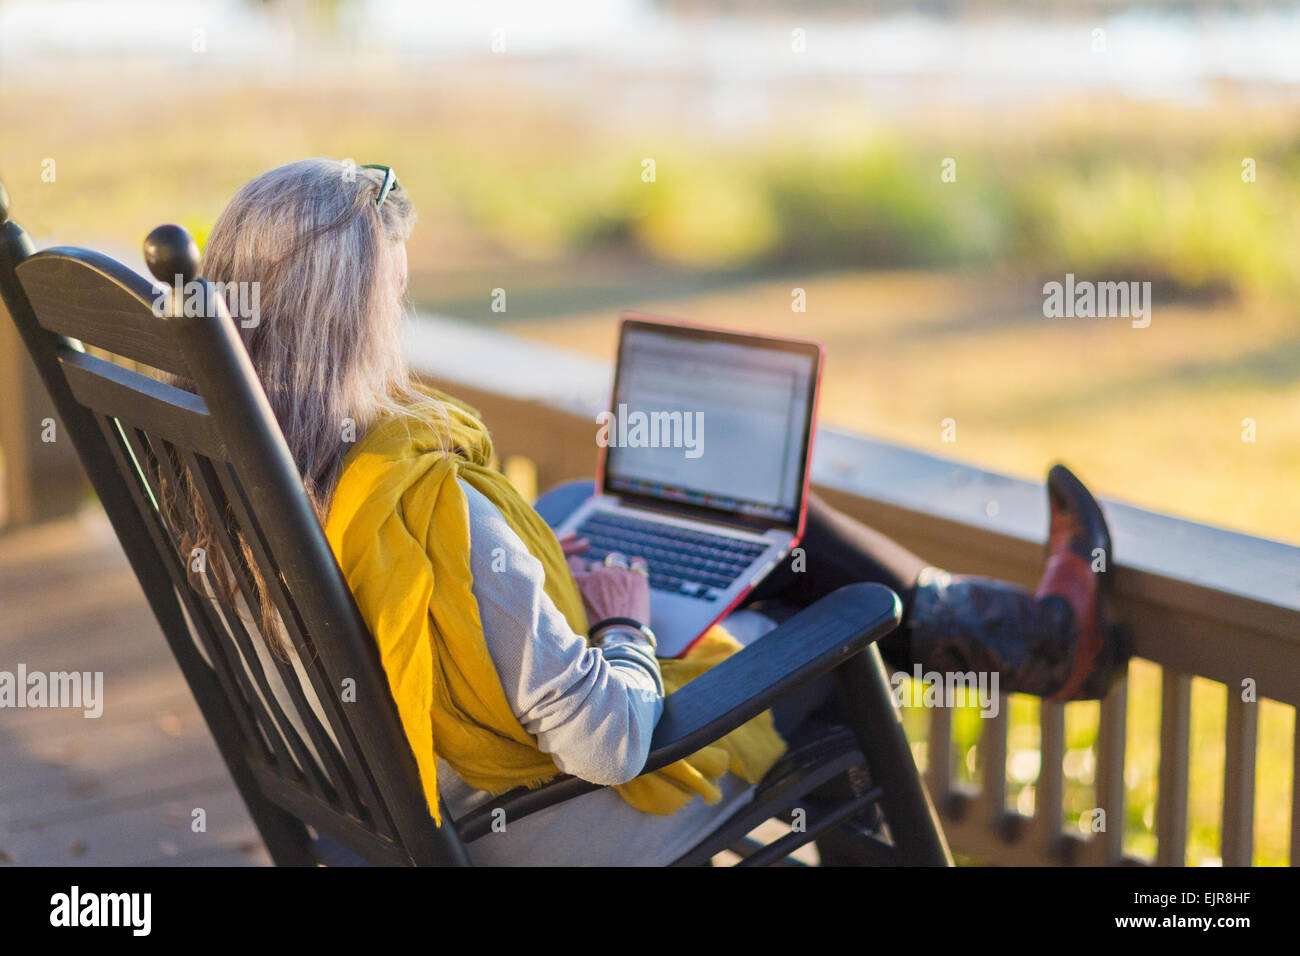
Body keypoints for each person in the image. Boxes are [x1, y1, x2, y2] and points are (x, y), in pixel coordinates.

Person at [177, 158, 1127, 866]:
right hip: (526, 830)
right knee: (836, 635)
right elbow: (606, 741)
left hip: (376, 816)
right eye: (396, 295)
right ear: (363, 321)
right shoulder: (433, 510)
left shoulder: (231, 496)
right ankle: (1027, 637)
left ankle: (1027, 636)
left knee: (747, 552)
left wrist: (538, 575)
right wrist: (625, 622)